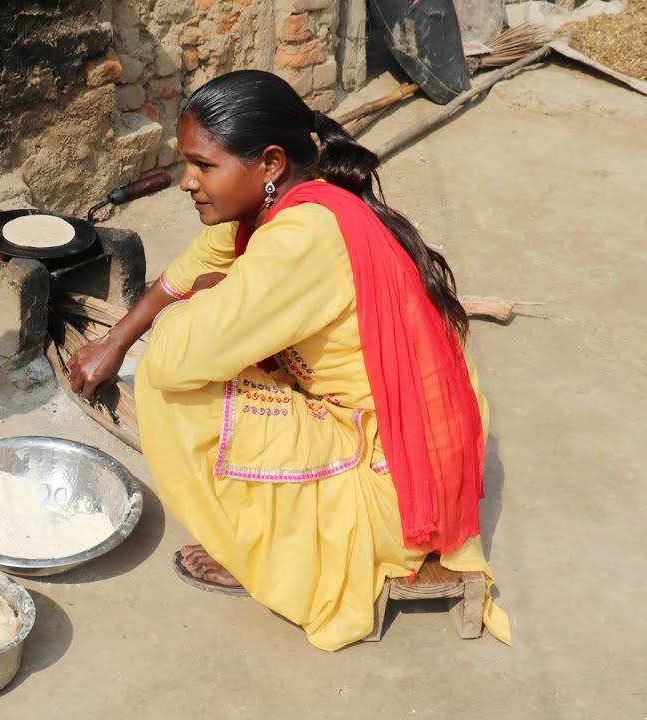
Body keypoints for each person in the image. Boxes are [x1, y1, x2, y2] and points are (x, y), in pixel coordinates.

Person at [67, 71, 510, 651]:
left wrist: (203, 298)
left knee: (172, 384)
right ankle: (274, 520)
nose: (185, 182)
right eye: (186, 164)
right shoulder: (295, 198)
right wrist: (116, 340)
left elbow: (176, 358)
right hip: (417, 435)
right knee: (198, 337)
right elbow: (184, 273)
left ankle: (266, 550)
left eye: (203, 165)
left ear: (269, 163)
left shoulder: (300, 238)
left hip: (401, 484)